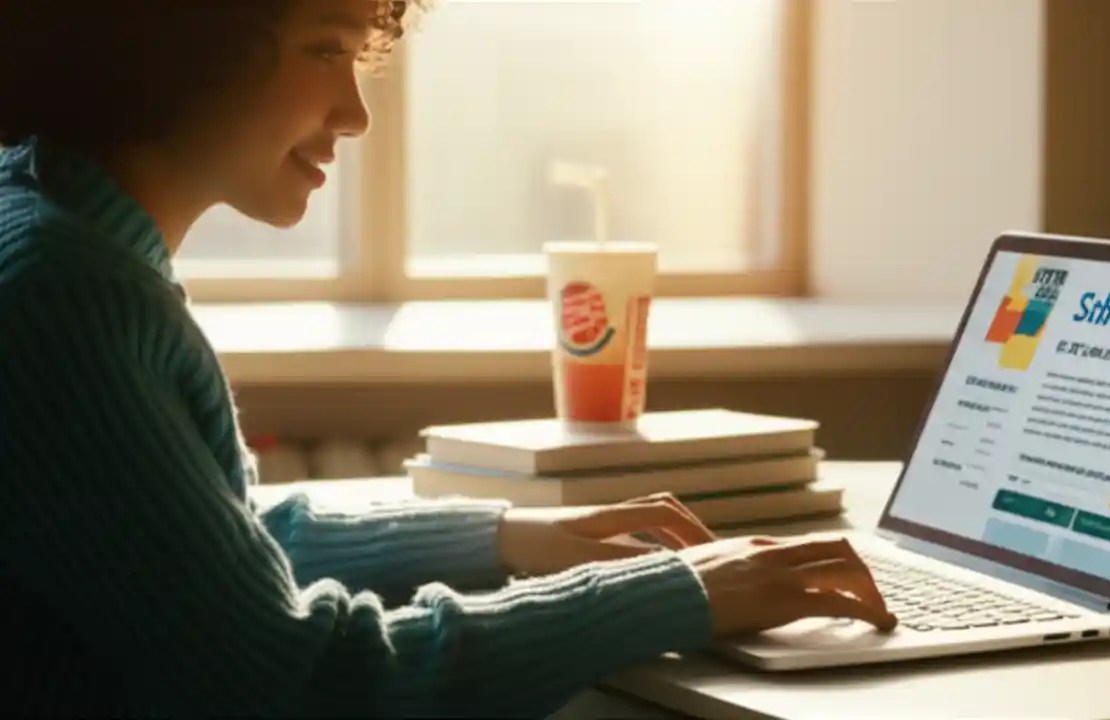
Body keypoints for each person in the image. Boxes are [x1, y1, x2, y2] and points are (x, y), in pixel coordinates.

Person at [0, 1, 896, 716]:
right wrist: (669, 595)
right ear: (181, 40)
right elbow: (301, 682)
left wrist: (506, 538)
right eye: (323, 49)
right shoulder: (69, 296)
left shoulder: (47, 227)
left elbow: (197, 551)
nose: (354, 113)